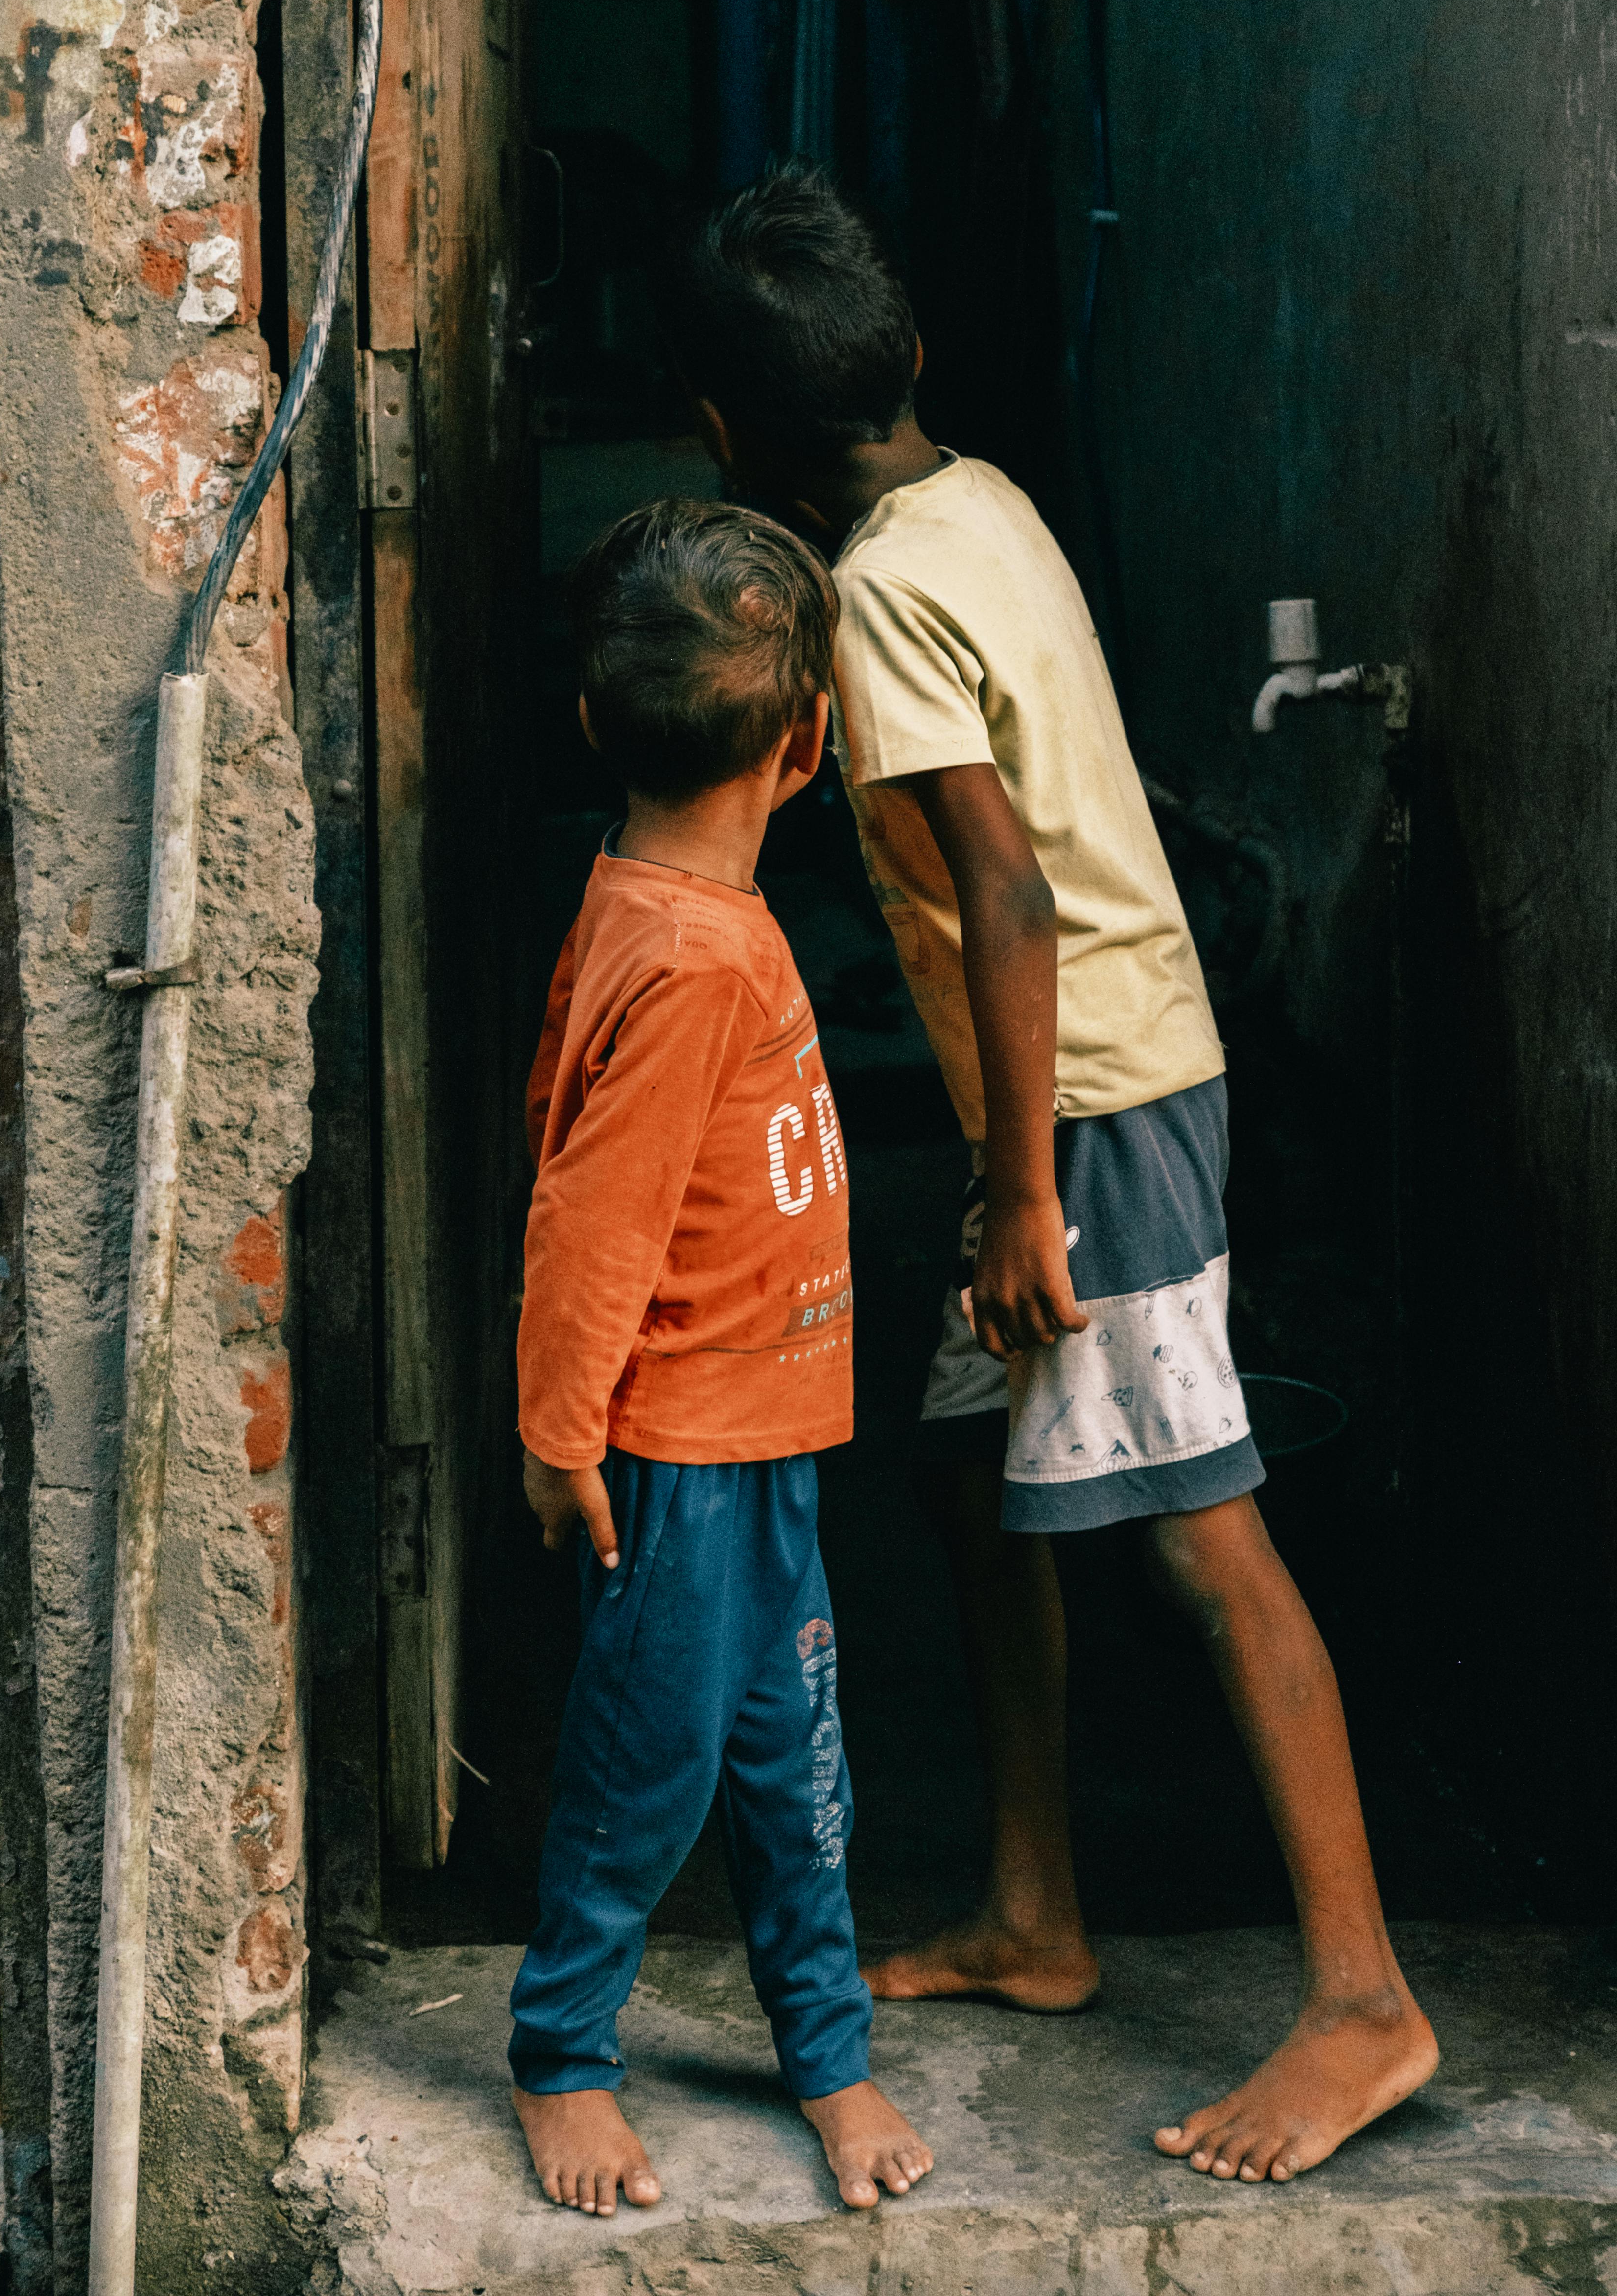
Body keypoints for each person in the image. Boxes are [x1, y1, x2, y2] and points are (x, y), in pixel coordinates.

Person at [653, 164, 1438, 2190]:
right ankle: (1032, 1907)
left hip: (1084, 1106)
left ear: (727, 441)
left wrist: (1012, 1193)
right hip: (1078, 1091)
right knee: (960, 1471)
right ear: (909, 365)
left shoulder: (884, 591)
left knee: (1200, 1531)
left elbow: (1003, 894)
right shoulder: (974, 496)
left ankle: (1361, 1997)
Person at [511, 497, 934, 2218]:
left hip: (763, 1440)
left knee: (795, 1760)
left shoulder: (679, 913)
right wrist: (561, 1437)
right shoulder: (687, 958)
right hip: (677, 1454)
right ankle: (560, 2050)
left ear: (595, 725)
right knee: (653, 1764)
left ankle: (823, 2051)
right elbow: (591, 1225)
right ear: (812, 744)